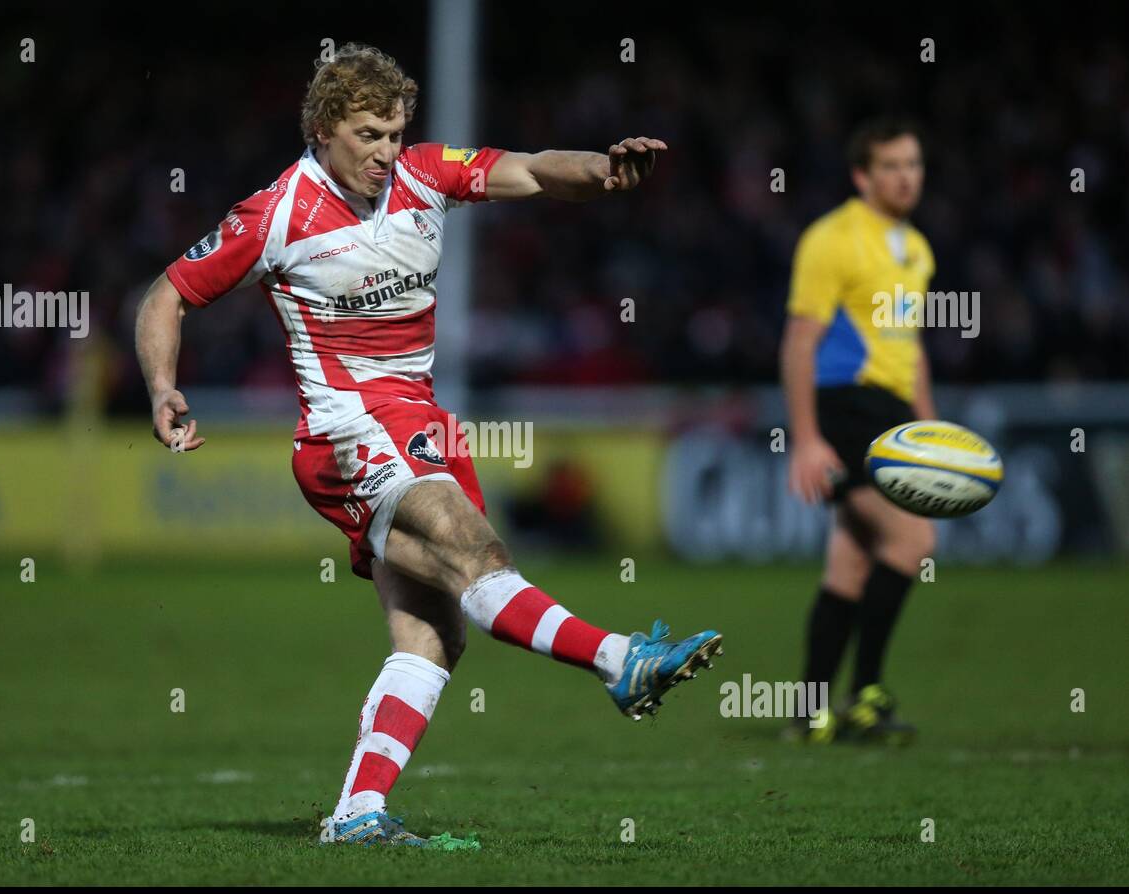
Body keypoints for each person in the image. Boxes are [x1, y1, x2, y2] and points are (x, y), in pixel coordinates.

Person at [135, 43, 726, 847]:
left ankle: (356, 813)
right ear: (321, 128)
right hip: (347, 434)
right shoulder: (274, 215)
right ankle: (619, 660)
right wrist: (163, 386)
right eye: (369, 134)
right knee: (472, 548)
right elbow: (169, 293)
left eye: (395, 132)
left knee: (434, 634)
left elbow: (530, 170)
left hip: (422, 427)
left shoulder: (423, 172)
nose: (386, 152)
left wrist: (602, 169)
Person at [780, 118, 937, 745]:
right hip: (845, 406)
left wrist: (926, 423)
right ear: (862, 176)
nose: (907, 177)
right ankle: (866, 693)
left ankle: (810, 710)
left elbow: (912, 345)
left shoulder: (917, 248)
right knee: (911, 541)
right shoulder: (832, 239)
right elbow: (799, 340)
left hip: (890, 412)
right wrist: (807, 436)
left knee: (849, 565)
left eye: (914, 164)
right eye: (893, 166)